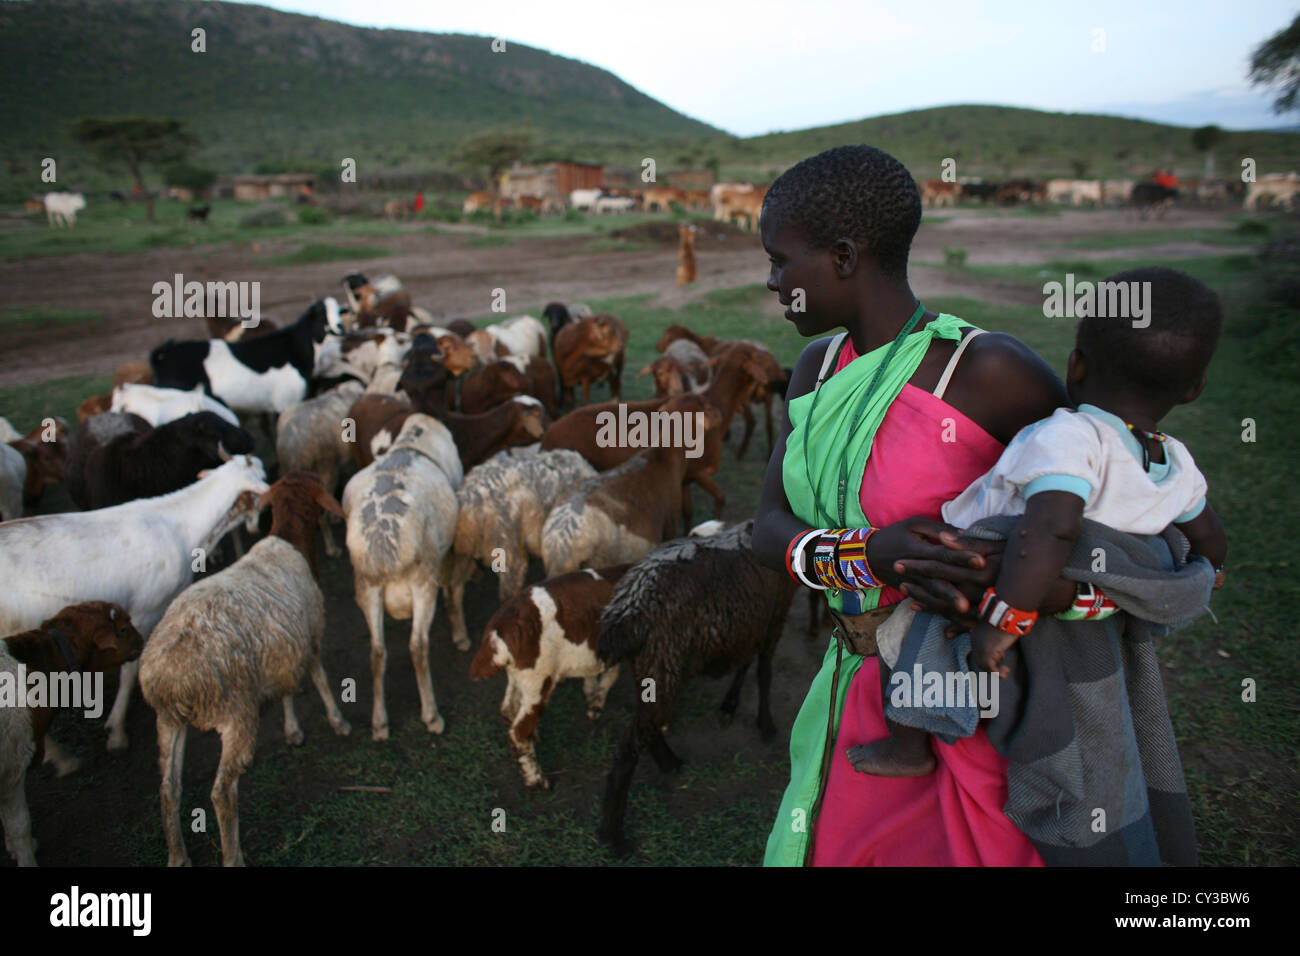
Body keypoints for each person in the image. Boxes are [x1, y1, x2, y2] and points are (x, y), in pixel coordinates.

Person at [754, 144, 1079, 866]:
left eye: (781, 261)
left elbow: (1096, 543)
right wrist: (869, 553)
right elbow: (767, 529)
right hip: (849, 686)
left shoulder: (992, 375)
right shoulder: (815, 370)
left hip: (967, 707)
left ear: (842, 256)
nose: (773, 282)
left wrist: (996, 581)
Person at [849, 267, 1227, 776]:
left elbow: (1050, 528)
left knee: (902, 639)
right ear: (1195, 389)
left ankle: (908, 746)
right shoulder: (1176, 465)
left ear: (1075, 366)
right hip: (1086, 615)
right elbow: (1207, 541)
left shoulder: (1069, 439)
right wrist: (1210, 571)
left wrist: (1003, 620)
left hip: (998, 579)